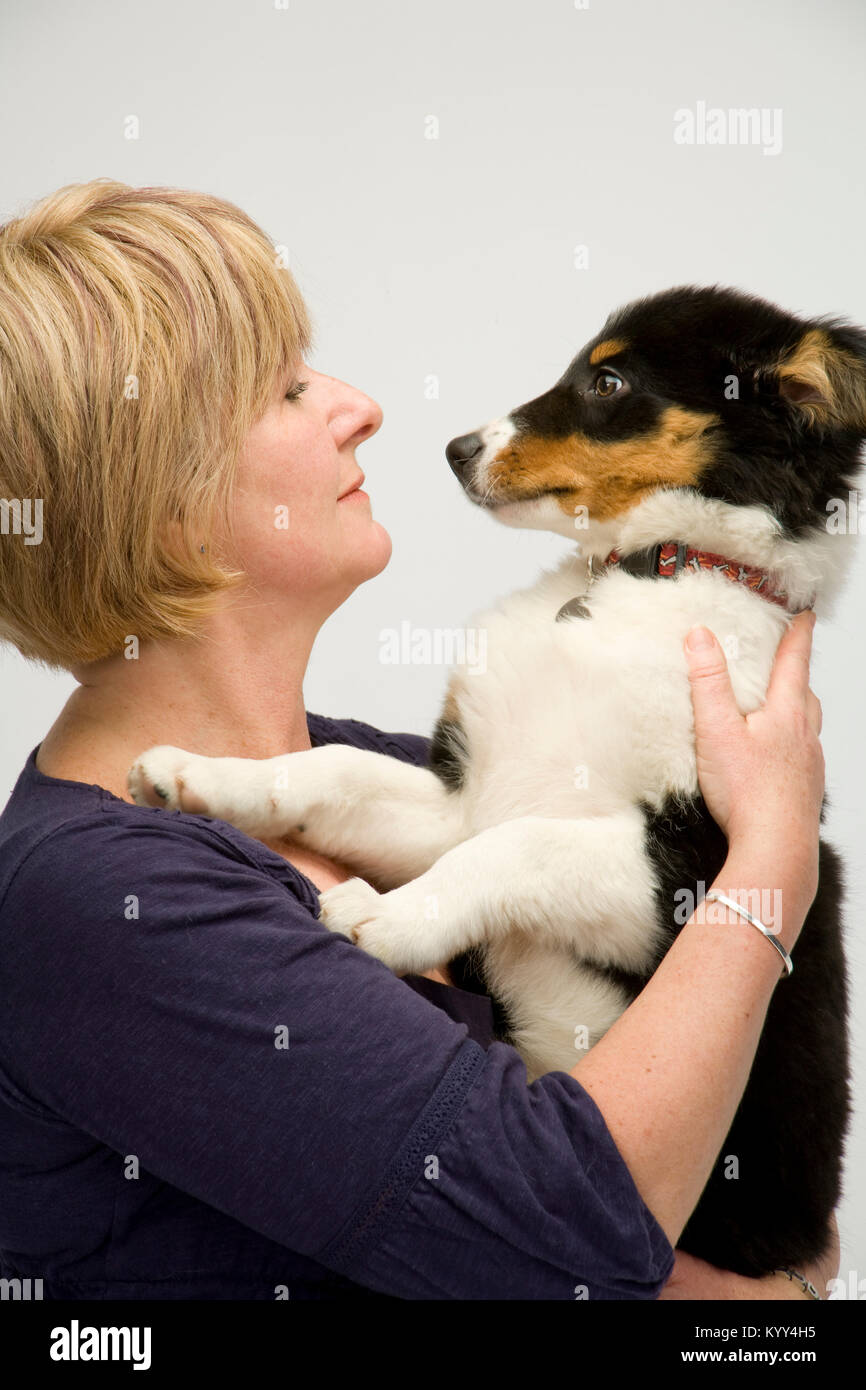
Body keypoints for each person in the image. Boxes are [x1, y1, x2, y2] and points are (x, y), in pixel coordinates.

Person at [0, 179, 836, 1300]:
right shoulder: (100, 904)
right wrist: (773, 857)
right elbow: (563, 1240)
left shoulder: (351, 764)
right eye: (286, 387)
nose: (360, 406)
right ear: (153, 487)